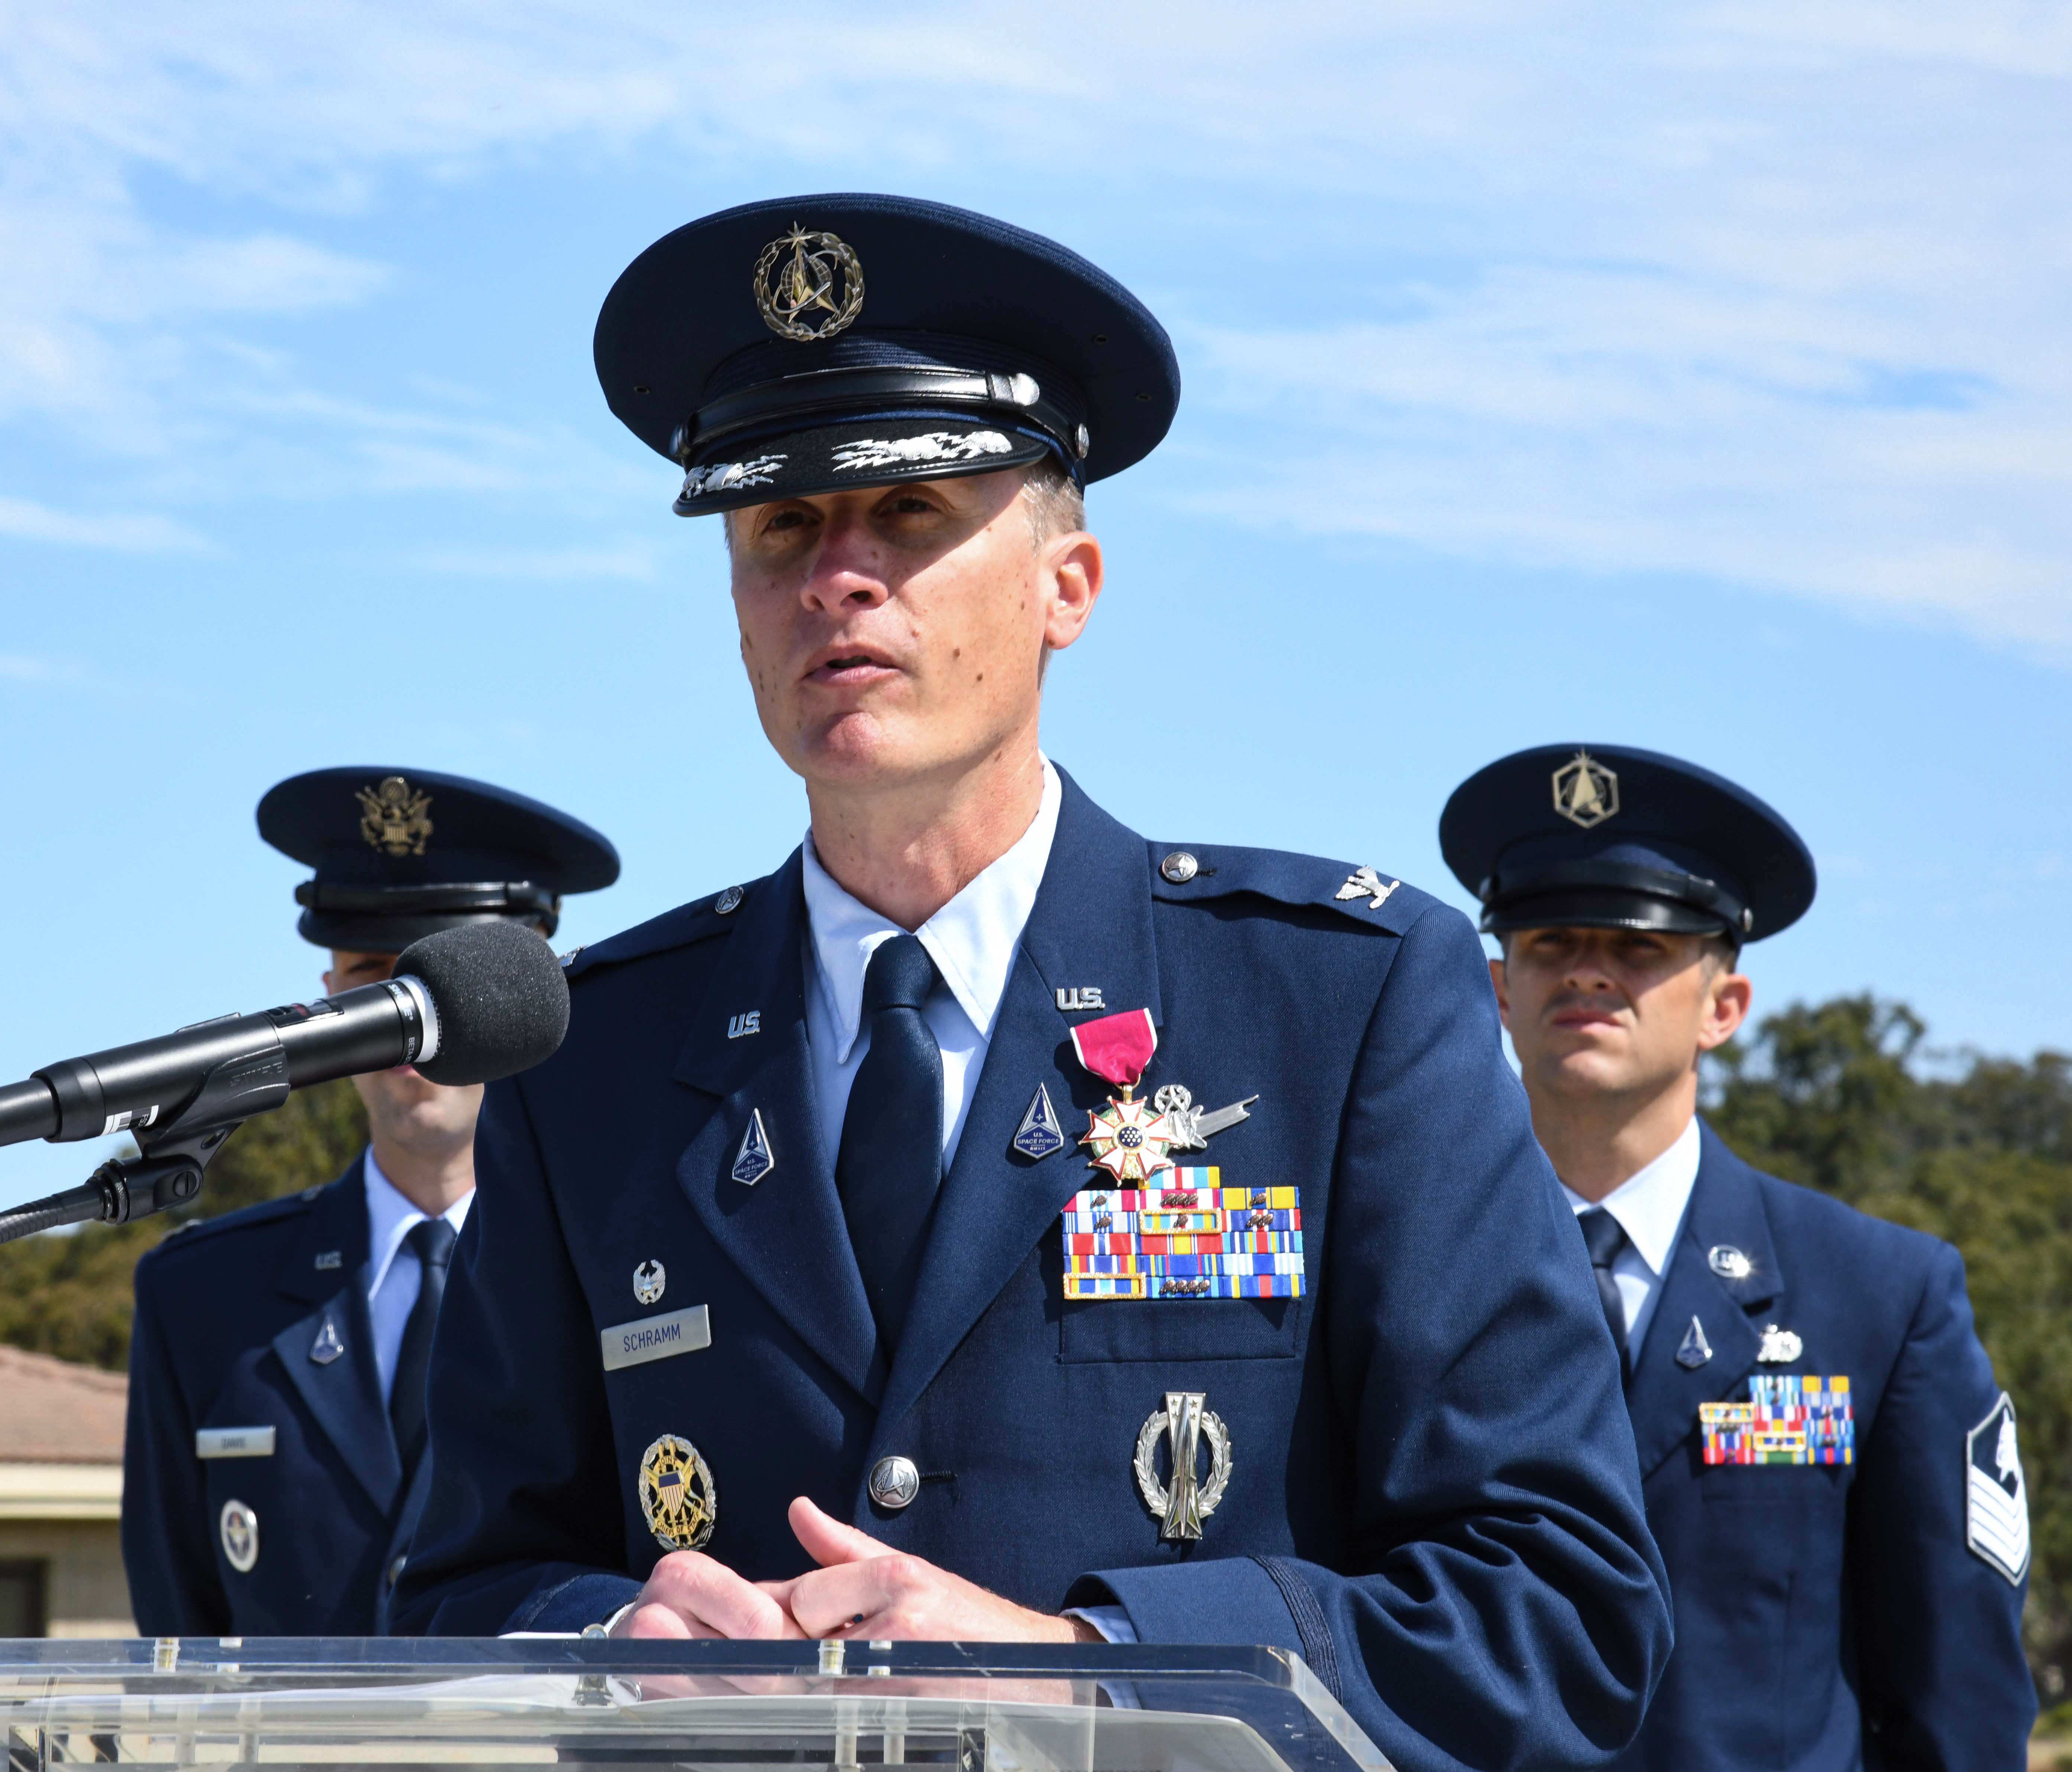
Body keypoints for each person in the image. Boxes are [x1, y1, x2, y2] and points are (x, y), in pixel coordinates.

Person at [388, 194, 1670, 1772]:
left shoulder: (1335, 1000)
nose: (836, 576)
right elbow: (451, 1587)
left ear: (1065, 587)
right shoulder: (594, 1049)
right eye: (779, 527)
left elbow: (1556, 1605)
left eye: (910, 513)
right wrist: (608, 1645)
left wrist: (1083, 1662)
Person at [1441, 743, 2037, 1769]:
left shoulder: (1881, 1297)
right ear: (1498, 988)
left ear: (1723, 1006)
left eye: (1636, 945)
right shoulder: (1405, 1271)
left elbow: (1959, 1694)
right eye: (1549, 941)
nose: (1586, 969)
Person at [120, 767, 618, 1634]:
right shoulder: (202, 1298)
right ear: (326, 1003)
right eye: (373, 976)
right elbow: (180, 1635)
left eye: (440, 979)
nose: (405, 1016)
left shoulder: (625, 1276)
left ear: (529, 999)